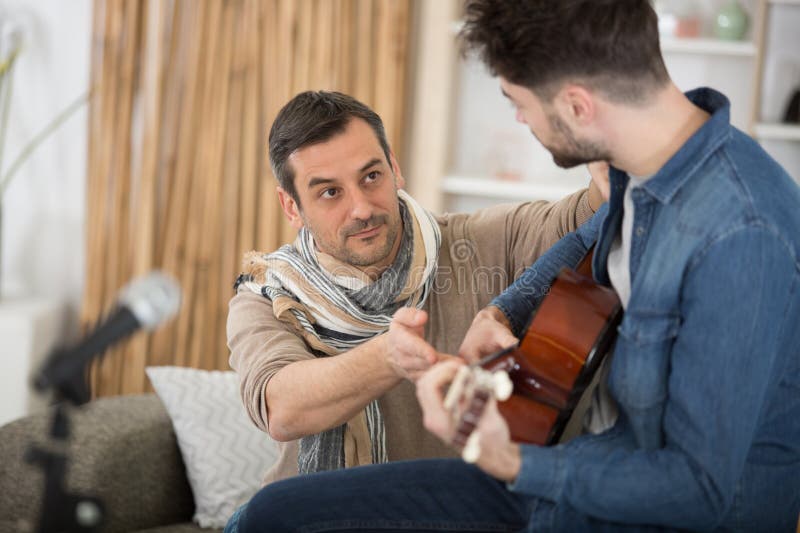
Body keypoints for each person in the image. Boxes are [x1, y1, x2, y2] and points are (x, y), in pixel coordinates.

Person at [232, 0, 800, 531]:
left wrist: (513, 462)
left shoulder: (741, 231)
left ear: (576, 106)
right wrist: (502, 312)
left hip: (632, 507)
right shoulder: (647, 175)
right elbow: (581, 241)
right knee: (274, 511)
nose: (522, 120)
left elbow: (700, 489)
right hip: (575, 483)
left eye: (518, 102)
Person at [226, 92, 603, 497]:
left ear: (394, 168)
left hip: (458, 512)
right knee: (258, 517)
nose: (361, 209)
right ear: (291, 207)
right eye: (330, 193)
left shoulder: (486, 241)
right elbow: (282, 408)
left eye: (371, 176)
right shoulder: (268, 294)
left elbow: (596, 212)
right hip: (311, 514)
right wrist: (389, 356)